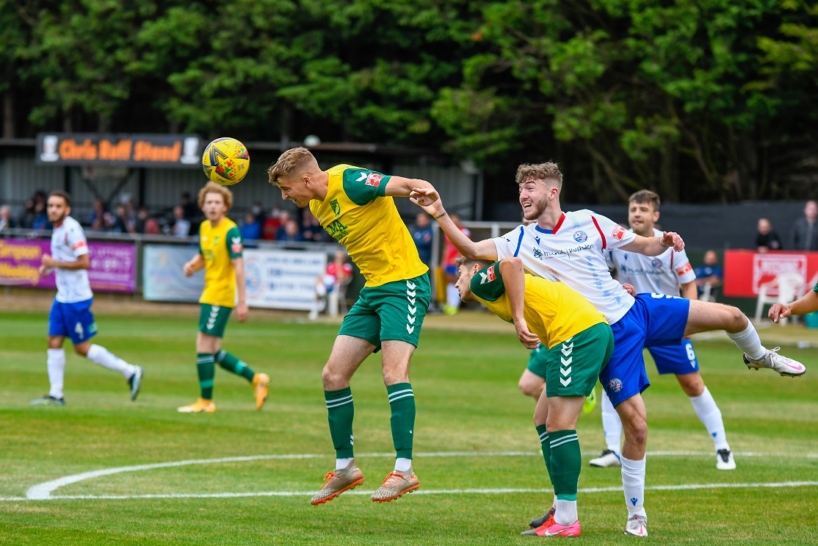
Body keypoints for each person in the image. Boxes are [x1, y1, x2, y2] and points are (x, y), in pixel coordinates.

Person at [411, 162, 806, 537]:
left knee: (733, 315)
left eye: (529, 188)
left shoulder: (589, 221)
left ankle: (758, 355)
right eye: (519, 189)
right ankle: (635, 514)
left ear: (553, 190)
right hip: (601, 334)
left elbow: (644, 247)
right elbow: (470, 247)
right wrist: (442, 213)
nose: (522, 196)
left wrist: (663, 241)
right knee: (633, 424)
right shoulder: (519, 238)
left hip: (638, 309)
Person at [267, 147, 433, 505]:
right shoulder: (315, 205)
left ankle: (404, 470)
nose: (285, 196)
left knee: (394, 372)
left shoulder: (351, 181)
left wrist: (421, 188)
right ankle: (346, 468)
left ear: (307, 179)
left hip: (404, 284)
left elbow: (398, 184)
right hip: (374, 290)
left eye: (287, 188)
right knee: (333, 375)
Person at [456, 255, 613, 537]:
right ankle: (559, 506)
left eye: (459, 273)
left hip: (576, 334)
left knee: (560, 425)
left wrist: (518, 318)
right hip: (582, 333)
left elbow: (511, 263)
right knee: (542, 419)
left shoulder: (480, 282)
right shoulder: (500, 289)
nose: (456, 282)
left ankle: (567, 520)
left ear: (476, 269)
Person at [591, 190, 735, 471]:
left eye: (643, 209)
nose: (636, 213)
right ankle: (611, 449)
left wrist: (691, 317)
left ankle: (723, 448)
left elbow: (689, 283)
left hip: (665, 322)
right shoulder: (617, 243)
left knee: (692, 383)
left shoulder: (668, 244)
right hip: (628, 320)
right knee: (615, 382)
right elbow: (605, 275)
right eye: (633, 208)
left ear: (655, 215)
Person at [30, 191, 143, 407]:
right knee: (53, 341)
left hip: (76, 299)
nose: (53, 209)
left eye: (58, 206)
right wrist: (49, 267)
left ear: (67, 209)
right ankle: (56, 395)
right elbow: (63, 259)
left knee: (81, 348)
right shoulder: (57, 229)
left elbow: (85, 262)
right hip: (62, 297)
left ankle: (130, 371)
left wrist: (55, 264)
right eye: (51, 206)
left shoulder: (71, 230)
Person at [177, 182, 270, 414]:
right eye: (209, 202)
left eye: (217, 202)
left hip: (221, 295)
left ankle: (206, 401)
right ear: (202, 205)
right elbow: (203, 256)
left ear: (226, 206)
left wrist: (242, 301)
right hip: (209, 293)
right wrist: (192, 266)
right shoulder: (204, 228)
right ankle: (256, 379)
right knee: (213, 350)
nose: (212, 206)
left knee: (203, 346)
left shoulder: (231, 231)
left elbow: (239, 267)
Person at [309, 250, 353, 320]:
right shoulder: (330, 265)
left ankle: (322, 292)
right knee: (318, 283)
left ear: (344, 258)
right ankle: (315, 309)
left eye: (339, 258)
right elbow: (323, 275)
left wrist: (339, 266)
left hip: (337, 287)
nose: (337, 260)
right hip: (326, 284)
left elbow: (341, 278)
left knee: (325, 288)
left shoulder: (347, 267)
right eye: (336, 258)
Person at [442, 213, 471, 314]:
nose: (453, 221)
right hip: (448, 261)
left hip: (458, 260)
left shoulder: (464, 231)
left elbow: (465, 246)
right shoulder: (447, 232)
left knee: (457, 282)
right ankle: (449, 304)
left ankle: (454, 305)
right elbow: (446, 247)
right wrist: (444, 260)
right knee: (449, 281)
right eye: (452, 219)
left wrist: (456, 258)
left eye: (455, 219)